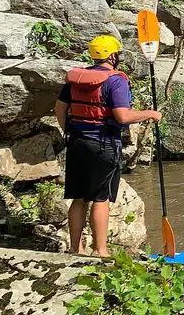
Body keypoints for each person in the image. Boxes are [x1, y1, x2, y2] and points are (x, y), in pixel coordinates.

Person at [55, 34, 162, 256]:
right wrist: (150, 114)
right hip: (103, 144)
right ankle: (101, 251)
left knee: (78, 198)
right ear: (112, 56)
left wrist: (70, 130)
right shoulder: (116, 80)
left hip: (77, 143)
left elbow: (59, 108)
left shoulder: (77, 78)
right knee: (100, 199)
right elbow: (122, 116)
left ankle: (76, 249)